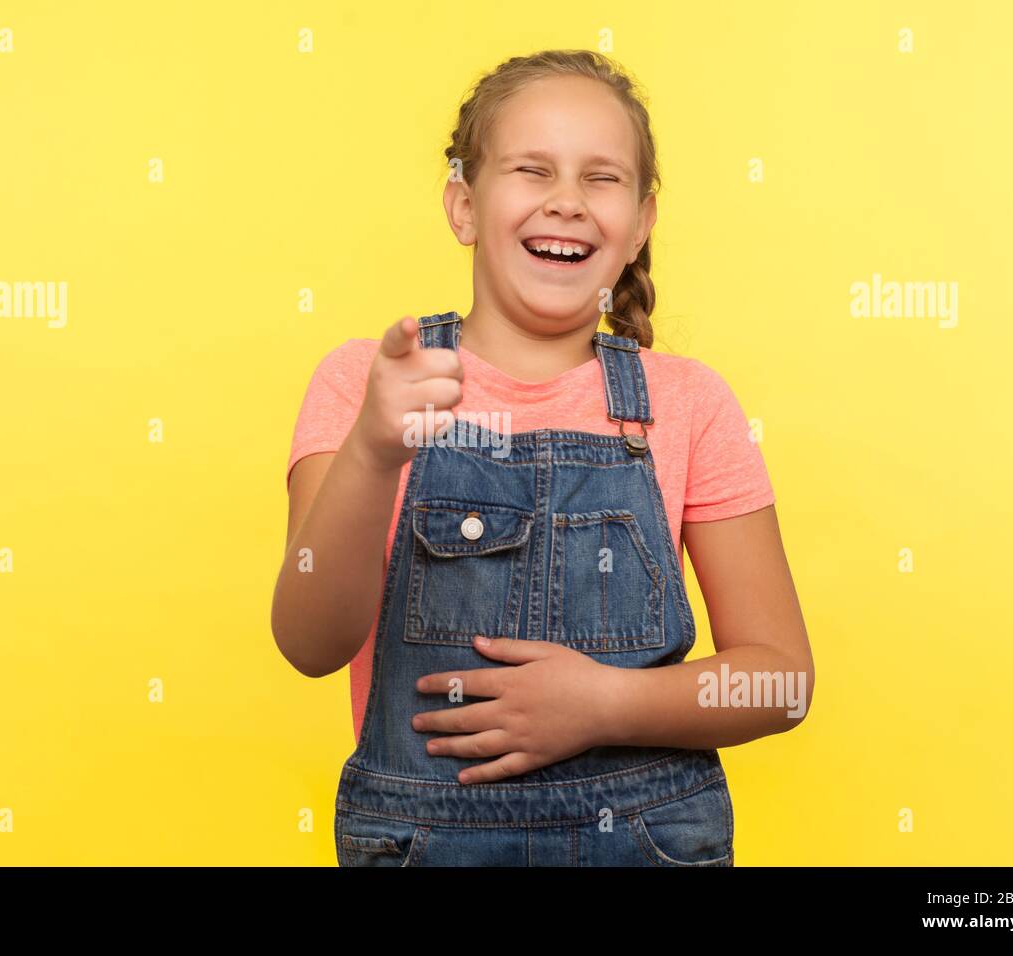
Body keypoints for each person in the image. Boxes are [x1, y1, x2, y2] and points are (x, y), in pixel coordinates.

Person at [272, 49, 813, 866]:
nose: (566, 202)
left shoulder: (690, 404)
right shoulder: (367, 385)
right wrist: (375, 453)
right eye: (532, 170)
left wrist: (605, 704)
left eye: (601, 179)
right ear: (463, 206)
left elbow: (781, 684)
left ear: (640, 223)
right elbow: (309, 644)